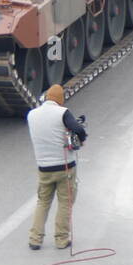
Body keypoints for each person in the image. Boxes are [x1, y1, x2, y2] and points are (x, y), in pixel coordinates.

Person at [27, 83, 87, 251]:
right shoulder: (62, 113)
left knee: (43, 201)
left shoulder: (31, 115)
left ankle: (35, 239)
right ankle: (61, 239)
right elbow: (77, 129)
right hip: (65, 168)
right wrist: (81, 138)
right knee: (65, 202)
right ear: (60, 100)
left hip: (44, 169)